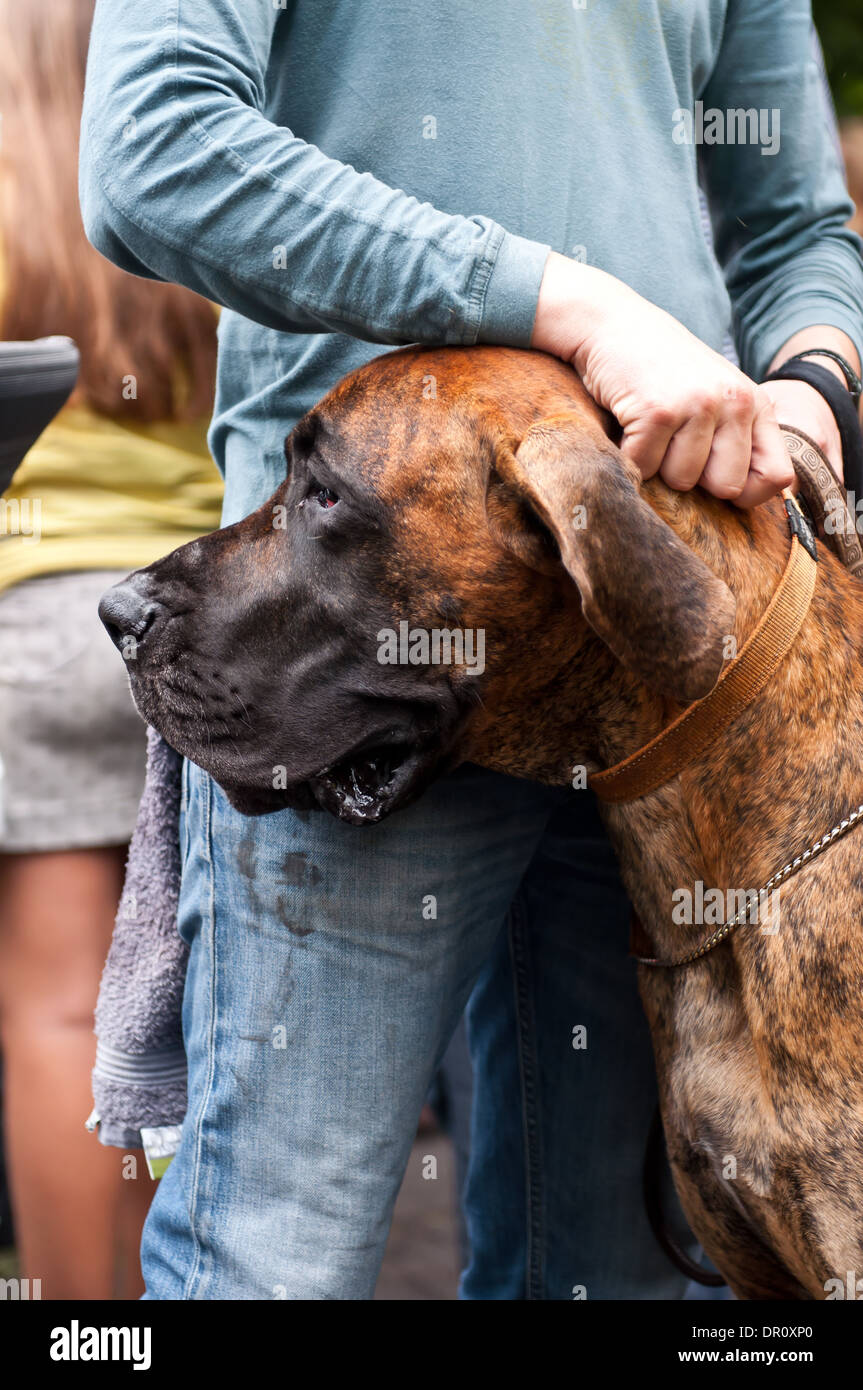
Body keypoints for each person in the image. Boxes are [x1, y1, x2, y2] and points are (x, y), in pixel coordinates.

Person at [80, 0, 863, 1299]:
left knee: (611, 1278)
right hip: (363, 636)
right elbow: (155, 145)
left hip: (671, 682)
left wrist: (809, 384)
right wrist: (569, 304)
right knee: (279, 1259)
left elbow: (797, 228)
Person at [0, 0, 223, 1299]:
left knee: (56, 1013)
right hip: (180, 628)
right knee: (155, 1025)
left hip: (27, 625)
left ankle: (86, 1331)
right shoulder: (178, 167)